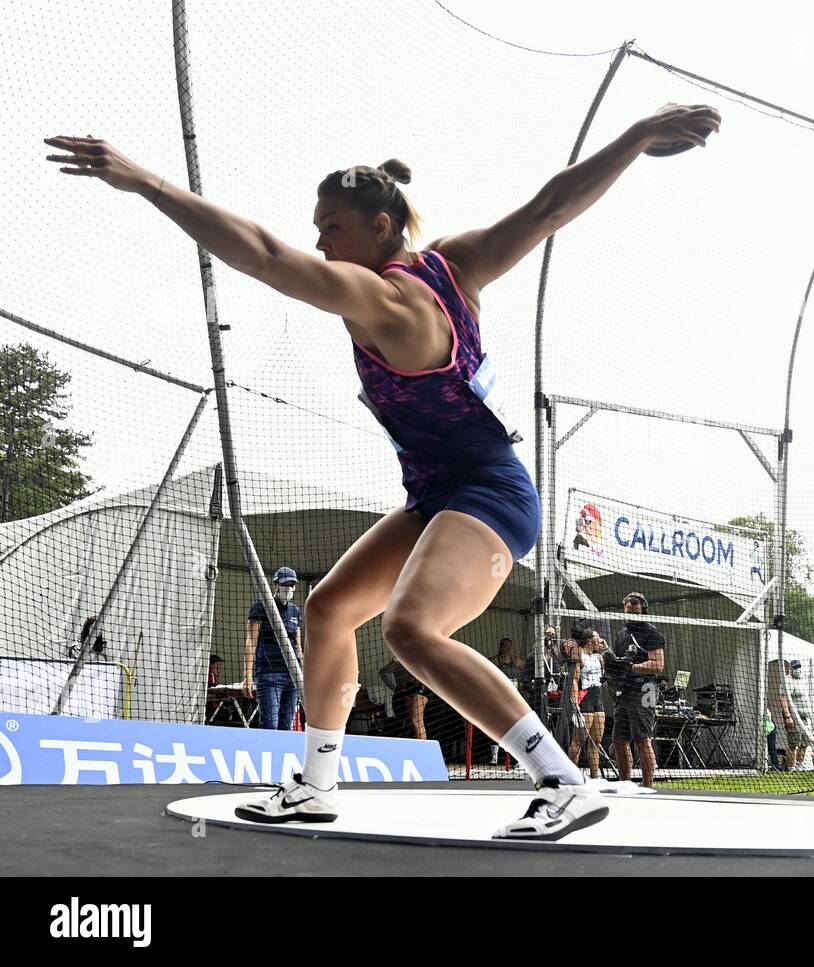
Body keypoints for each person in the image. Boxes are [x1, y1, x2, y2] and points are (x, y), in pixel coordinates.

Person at [45, 103, 722, 838]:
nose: (318, 241)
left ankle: (562, 779)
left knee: (410, 629)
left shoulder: (388, 299)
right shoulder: (453, 264)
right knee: (329, 609)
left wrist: (145, 180)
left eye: (330, 226)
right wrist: (637, 136)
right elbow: (550, 205)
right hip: (435, 495)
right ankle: (316, 782)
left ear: (378, 227)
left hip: (489, 495)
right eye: (317, 227)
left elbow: (265, 258)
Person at [606, 592, 666, 788]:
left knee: (642, 738)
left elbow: (658, 665)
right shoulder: (622, 635)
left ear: (643, 610)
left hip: (644, 689)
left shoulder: (652, 633)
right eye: (628, 610)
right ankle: (625, 783)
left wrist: (632, 668)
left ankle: (647, 785)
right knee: (618, 739)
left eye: (635, 610)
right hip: (625, 690)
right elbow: (618, 664)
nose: (631, 613)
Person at [243, 567, 303, 731]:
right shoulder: (261, 607)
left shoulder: (295, 611)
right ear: (275, 584)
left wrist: (302, 673)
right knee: (270, 725)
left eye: (292, 584)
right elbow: (251, 642)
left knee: (286, 725)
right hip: (269, 674)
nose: (289, 588)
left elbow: (297, 645)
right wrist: (248, 676)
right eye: (285, 584)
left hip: (292, 676)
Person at [567, 629, 607, 779]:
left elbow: (611, 665)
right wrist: (575, 703)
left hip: (598, 698)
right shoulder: (580, 655)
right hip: (585, 698)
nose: (600, 640)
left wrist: (606, 648)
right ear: (589, 640)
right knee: (579, 739)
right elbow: (574, 680)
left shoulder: (599, 657)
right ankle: (571, 775)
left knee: (596, 741)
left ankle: (595, 776)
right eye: (597, 638)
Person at [779, 660, 814, 771]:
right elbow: (783, 698)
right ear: (790, 669)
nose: (798, 669)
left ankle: (799, 767)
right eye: (795, 667)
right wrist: (788, 716)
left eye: (799, 667)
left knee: (804, 744)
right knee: (793, 744)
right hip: (794, 718)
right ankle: (791, 769)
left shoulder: (802, 680)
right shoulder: (787, 681)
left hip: (804, 718)